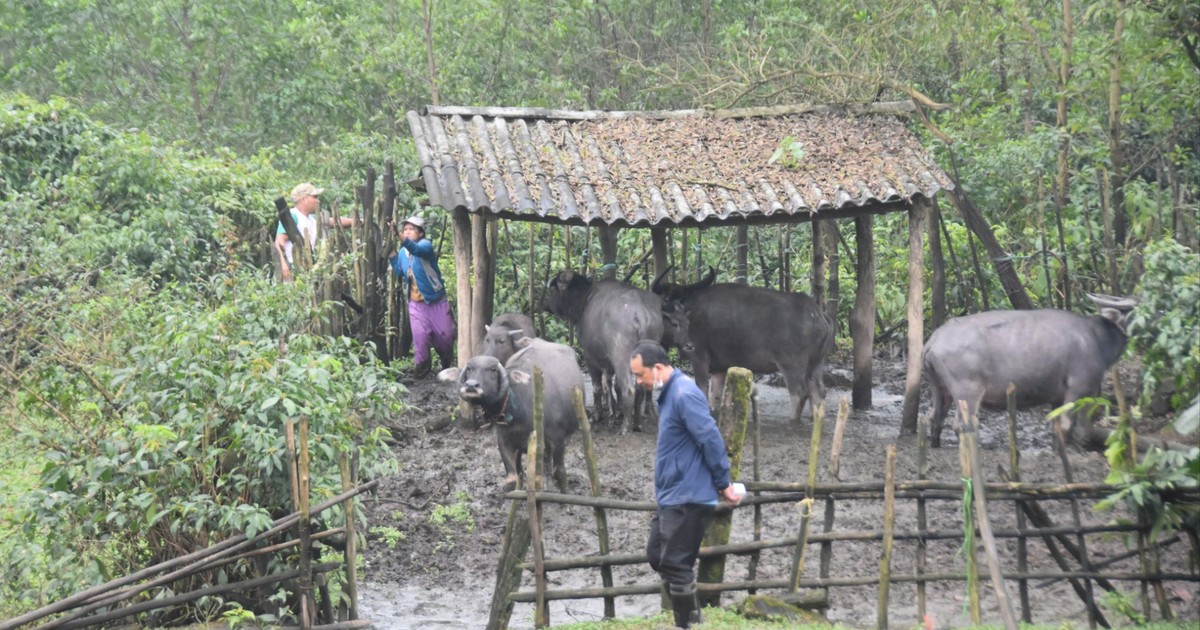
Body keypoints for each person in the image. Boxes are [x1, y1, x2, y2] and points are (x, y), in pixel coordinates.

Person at [629, 339, 741, 629]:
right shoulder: (668, 394)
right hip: (673, 494)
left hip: (689, 496)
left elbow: (710, 437)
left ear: (657, 368)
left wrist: (724, 483)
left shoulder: (683, 393)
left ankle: (688, 624)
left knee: (676, 565)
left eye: (640, 374)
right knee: (657, 555)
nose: (638, 381)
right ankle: (690, 618)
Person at [390, 215, 456, 378]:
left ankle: (446, 365)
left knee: (445, 337)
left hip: (437, 302)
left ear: (420, 233)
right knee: (420, 338)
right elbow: (399, 271)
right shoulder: (403, 253)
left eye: (411, 229)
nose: (407, 232)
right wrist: (392, 255)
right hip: (416, 305)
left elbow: (417, 250)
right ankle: (421, 374)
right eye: (405, 229)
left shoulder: (425, 245)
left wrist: (399, 235)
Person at [274, 182, 355, 281]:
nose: (318, 201)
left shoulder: (312, 218)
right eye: (314, 197)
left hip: (309, 268)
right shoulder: (292, 216)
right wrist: (283, 264)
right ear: (304, 199)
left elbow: (335, 221)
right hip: (292, 268)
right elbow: (279, 241)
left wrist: (358, 221)